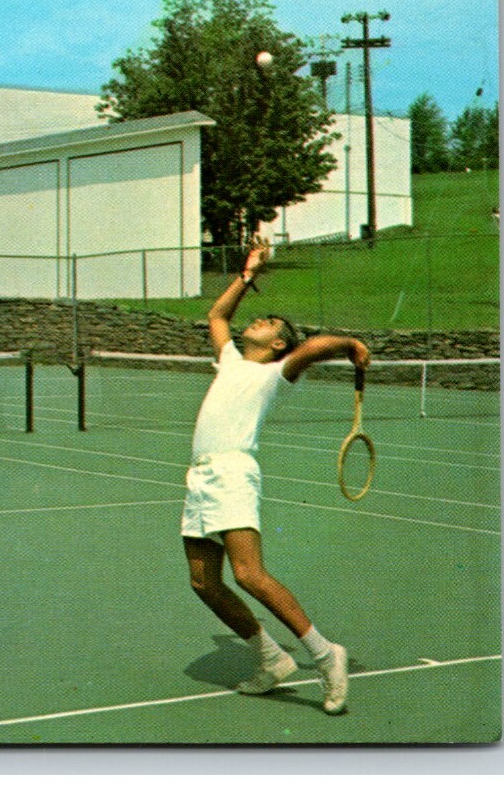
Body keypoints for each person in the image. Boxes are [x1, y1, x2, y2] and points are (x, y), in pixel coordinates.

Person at [183, 243, 369, 715]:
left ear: (278, 344)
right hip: (200, 477)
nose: (257, 321)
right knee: (204, 582)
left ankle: (327, 655)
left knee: (248, 574)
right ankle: (271, 657)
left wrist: (349, 346)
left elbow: (314, 347)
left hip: (232, 472)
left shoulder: (273, 375)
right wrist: (247, 275)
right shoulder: (231, 362)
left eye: (268, 322)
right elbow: (217, 316)